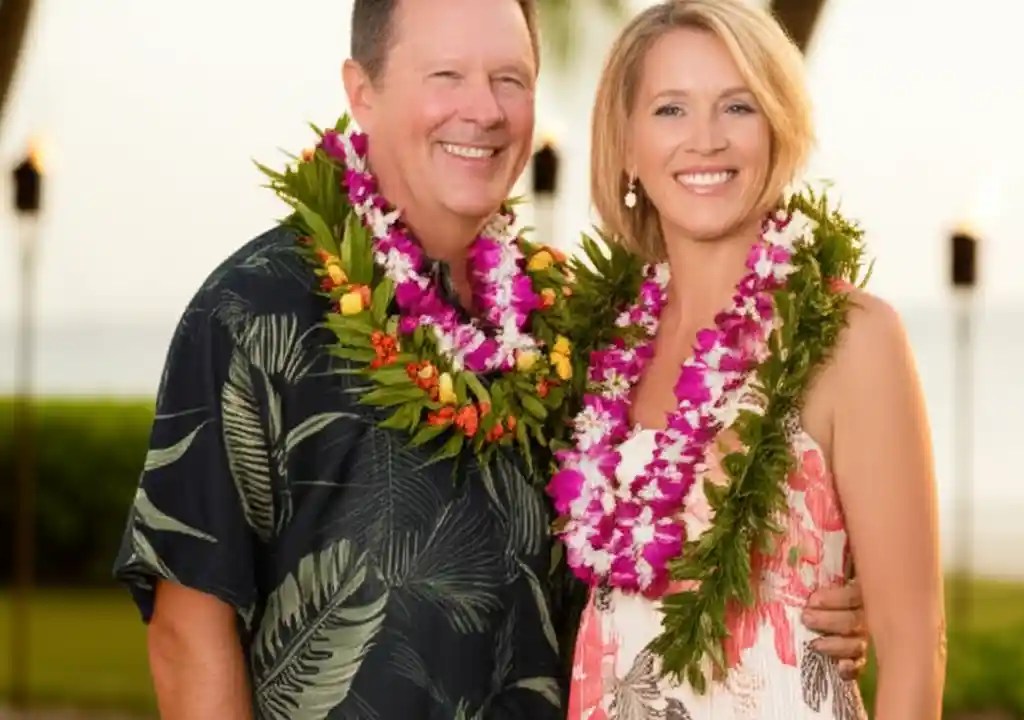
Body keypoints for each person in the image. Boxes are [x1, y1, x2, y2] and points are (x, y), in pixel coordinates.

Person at [111, 0, 871, 718]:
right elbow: (189, 625)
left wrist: (824, 589)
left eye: (511, 79)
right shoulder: (257, 308)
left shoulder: (570, 324)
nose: (484, 109)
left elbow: (655, 531)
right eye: (446, 76)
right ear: (361, 91)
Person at [551, 1, 947, 719]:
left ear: (777, 129)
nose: (705, 140)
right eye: (671, 110)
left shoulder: (850, 338)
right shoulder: (601, 345)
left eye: (737, 106)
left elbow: (917, 651)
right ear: (629, 145)